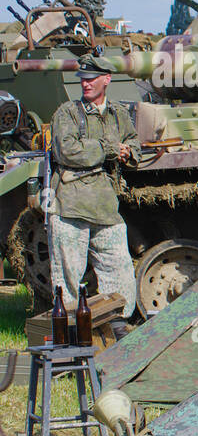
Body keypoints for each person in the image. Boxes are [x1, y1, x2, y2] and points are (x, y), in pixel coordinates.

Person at [48, 55, 141, 329]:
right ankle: (68, 336)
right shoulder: (67, 113)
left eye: (91, 79)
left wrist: (129, 152)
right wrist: (111, 148)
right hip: (71, 204)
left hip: (105, 205)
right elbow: (67, 151)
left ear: (107, 79)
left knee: (120, 270)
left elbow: (133, 143)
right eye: (83, 79)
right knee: (67, 278)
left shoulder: (118, 113)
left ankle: (117, 327)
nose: (85, 84)